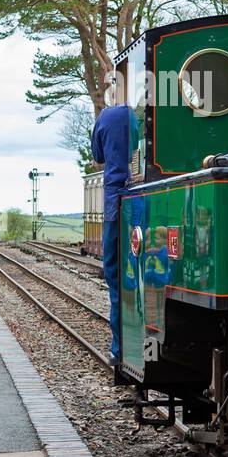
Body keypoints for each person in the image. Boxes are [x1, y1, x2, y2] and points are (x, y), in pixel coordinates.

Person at [90, 103, 133, 364]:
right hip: (144, 196)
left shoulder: (106, 116)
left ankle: (120, 349)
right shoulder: (140, 113)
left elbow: (98, 157)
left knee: (115, 275)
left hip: (115, 201)